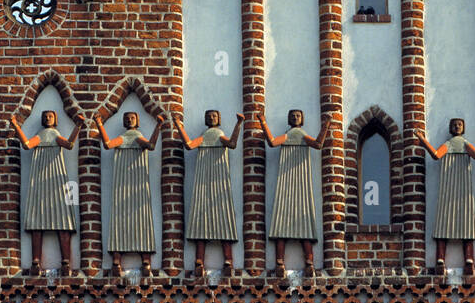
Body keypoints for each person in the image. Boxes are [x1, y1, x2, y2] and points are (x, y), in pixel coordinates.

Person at [11, 108, 82, 276]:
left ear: (55, 118)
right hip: (40, 179)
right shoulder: (42, 134)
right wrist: (16, 126)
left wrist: (78, 126)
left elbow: (69, 144)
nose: (48, 118)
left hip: (57, 178)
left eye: (51, 116)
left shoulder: (54, 134)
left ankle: (65, 260)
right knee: (37, 219)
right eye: (45, 116)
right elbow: (27, 144)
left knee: (63, 219)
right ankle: (36, 260)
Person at [419, 116, 475, 277]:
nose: (457, 126)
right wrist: (423, 140)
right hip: (448, 183)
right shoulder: (449, 144)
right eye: (455, 124)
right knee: (443, 219)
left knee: (466, 220)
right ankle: (440, 258)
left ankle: (469, 258)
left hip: (463, 184)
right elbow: (437, 155)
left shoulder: (465, 143)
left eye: (460, 124)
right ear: (450, 128)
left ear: (463, 128)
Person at [95, 109, 164, 278]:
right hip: (122, 184)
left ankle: (145, 258)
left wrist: (159, 126)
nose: (130, 120)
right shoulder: (124, 137)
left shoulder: (137, 136)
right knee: (119, 218)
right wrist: (99, 125)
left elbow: (150, 145)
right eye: (127, 118)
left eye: (133, 117)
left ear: (137, 121)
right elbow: (108, 144)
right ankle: (117, 258)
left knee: (141, 218)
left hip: (138, 184)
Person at [175, 109, 245, 276]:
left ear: (219, 118)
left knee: (223, 217)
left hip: (219, 179)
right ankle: (199, 260)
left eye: (214, 116)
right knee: (201, 218)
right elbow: (190, 144)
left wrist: (238, 124)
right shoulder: (205, 135)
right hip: (203, 179)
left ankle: (228, 259)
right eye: (209, 116)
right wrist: (178, 126)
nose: (212, 118)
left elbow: (232, 143)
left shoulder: (219, 134)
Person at [261, 108, 329, 275]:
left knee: (304, 220)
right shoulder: (288, 135)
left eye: (298, 115)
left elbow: (318, 144)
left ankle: (309, 261)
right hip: (285, 181)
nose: (295, 117)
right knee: (281, 220)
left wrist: (326, 125)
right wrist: (262, 122)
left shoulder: (301, 134)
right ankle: (279, 261)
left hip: (301, 181)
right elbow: (272, 141)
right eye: (292, 115)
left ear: (302, 118)